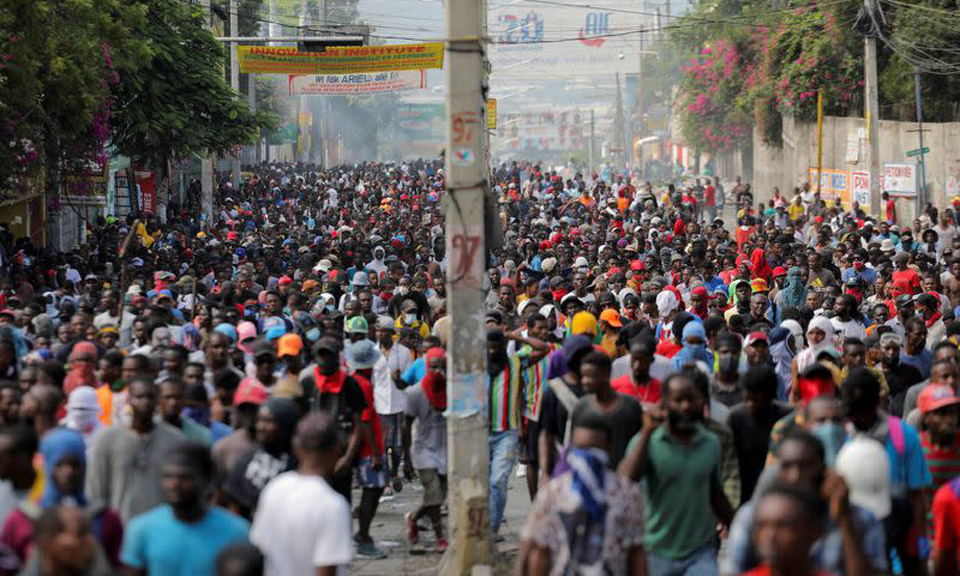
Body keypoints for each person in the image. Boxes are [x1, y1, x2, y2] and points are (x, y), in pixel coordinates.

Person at [619, 369, 734, 576]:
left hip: (700, 550)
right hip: (656, 550)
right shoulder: (648, 441)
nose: (686, 406)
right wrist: (646, 433)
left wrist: (737, 527)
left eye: (692, 400)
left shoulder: (710, 442)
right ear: (664, 403)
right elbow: (626, 479)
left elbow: (716, 493)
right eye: (678, 400)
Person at [725, 431, 888, 576]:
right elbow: (732, 569)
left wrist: (844, 520)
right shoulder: (754, 515)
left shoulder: (858, 516)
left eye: (806, 466)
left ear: (824, 469)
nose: (795, 476)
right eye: (787, 466)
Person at [518, 407, 646, 576]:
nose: (587, 460)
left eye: (595, 451)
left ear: (609, 448)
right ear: (570, 450)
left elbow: (636, 553)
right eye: (582, 451)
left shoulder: (627, 495)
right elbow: (538, 548)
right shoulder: (553, 494)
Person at [120, 442, 249, 576]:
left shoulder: (236, 532)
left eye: (185, 477)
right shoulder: (141, 529)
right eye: (168, 476)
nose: (174, 484)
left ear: (206, 480)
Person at [251, 411, 353, 576]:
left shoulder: (275, 488)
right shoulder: (332, 504)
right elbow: (326, 570)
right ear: (336, 450)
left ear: (296, 448)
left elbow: (259, 548)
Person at [85, 378, 184, 523]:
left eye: (150, 397)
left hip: (161, 531)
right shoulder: (107, 439)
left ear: (157, 400)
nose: (145, 401)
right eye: (139, 397)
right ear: (129, 400)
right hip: (119, 532)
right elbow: (95, 491)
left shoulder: (175, 440)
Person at [403, 347, 448, 551]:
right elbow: (406, 426)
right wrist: (407, 460)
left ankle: (413, 517)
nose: (438, 371)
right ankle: (440, 537)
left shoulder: (452, 388)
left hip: (445, 448)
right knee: (435, 494)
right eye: (433, 367)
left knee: (438, 495)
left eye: (442, 366)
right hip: (423, 449)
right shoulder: (416, 393)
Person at [726, 365, 793, 502]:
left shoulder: (787, 417)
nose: (750, 404)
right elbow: (728, 463)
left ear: (770, 395)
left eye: (756, 399)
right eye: (747, 399)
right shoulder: (736, 418)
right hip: (744, 494)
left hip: (778, 492)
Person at [223, 398, 298, 519]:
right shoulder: (247, 459)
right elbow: (234, 504)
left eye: (268, 421)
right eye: (260, 420)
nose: (260, 427)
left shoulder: (300, 463)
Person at [570, 351, 643, 468]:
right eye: (583, 376)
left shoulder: (631, 406)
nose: (585, 381)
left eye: (590, 376)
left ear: (606, 375)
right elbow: (574, 446)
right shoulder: (581, 407)